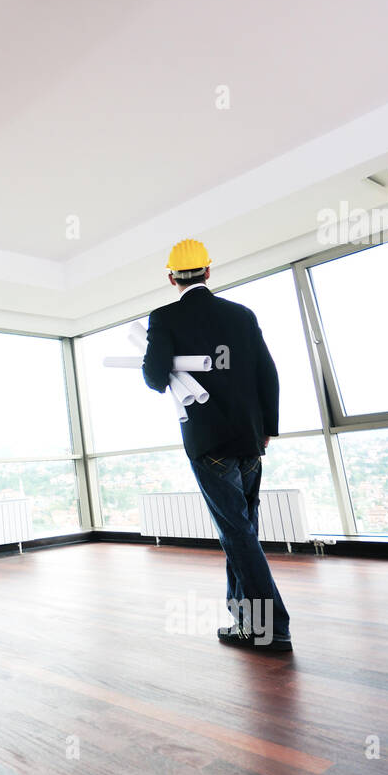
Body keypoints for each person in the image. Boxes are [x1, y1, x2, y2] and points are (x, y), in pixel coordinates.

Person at [141, 239, 292, 651]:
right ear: (208, 272)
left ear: (172, 278)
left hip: (209, 443)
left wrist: (168, 360)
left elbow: (155, 378)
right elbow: (268, 374)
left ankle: (271, 627)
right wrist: (267, 429)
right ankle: (244, 615)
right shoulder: (241, 316)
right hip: (249, 438)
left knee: (236, 533)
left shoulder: (164, 318)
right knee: (243, 531)